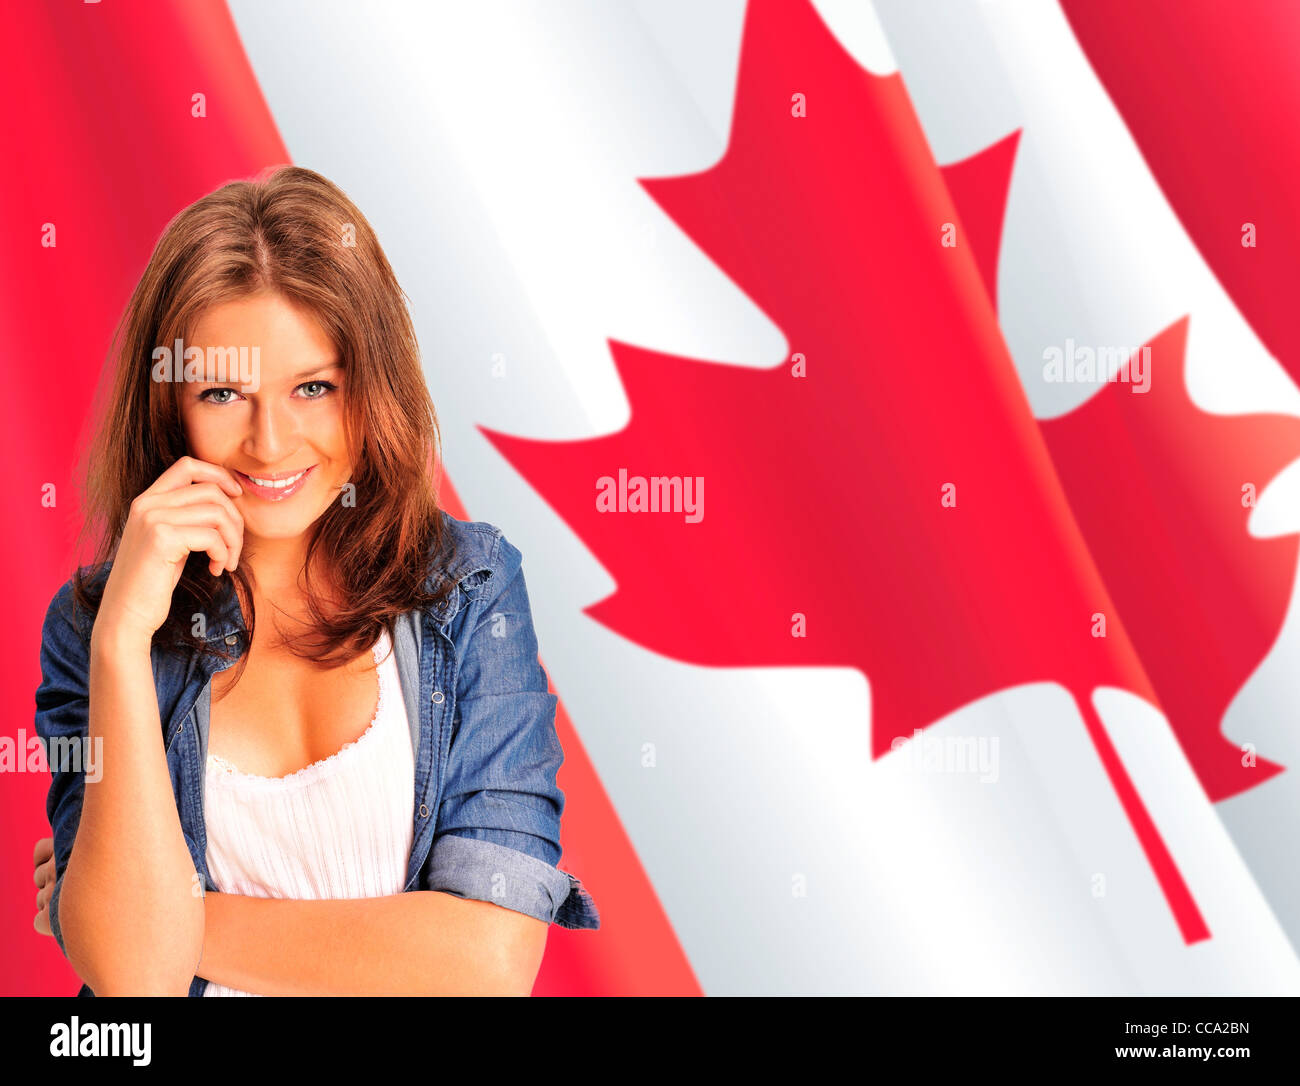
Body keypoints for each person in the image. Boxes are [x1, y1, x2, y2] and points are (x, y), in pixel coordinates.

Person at [29, 165, 598, 996]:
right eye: (224, 391)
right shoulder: (94, 628)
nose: (270, 442)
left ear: (371, 392)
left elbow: (486, 963)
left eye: (312, 388)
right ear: (169, 407)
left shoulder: (467, 591)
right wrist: (121, 641)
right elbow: (132, 982)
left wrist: (139, 916)